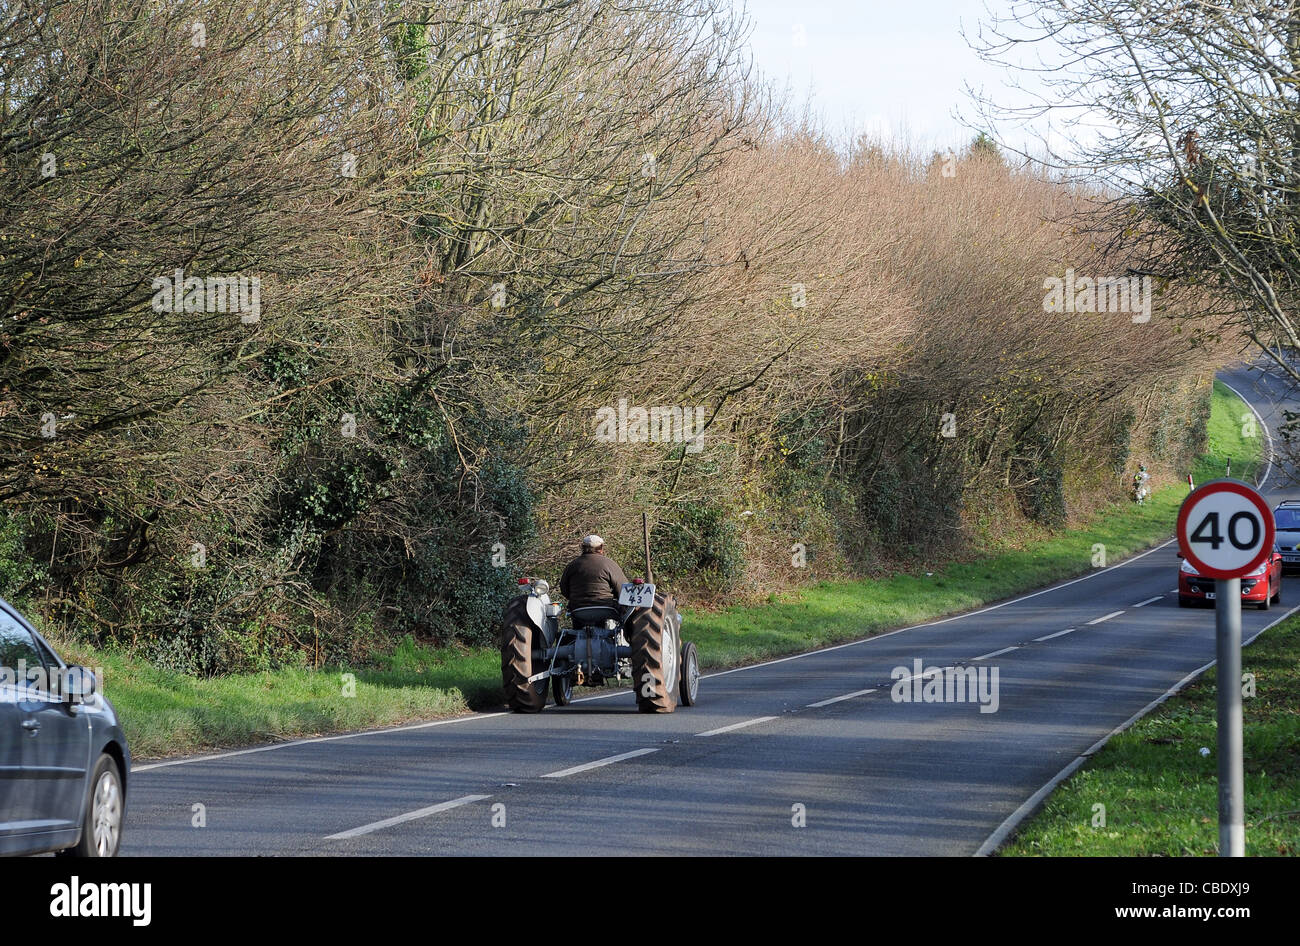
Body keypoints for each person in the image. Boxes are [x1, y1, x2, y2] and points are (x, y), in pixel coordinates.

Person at [559, 534, 629, 610]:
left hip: (578, 609)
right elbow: (623, 589)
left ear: (582, 547)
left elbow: (564, 589)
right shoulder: (609, 564)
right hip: (605, 608)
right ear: (601, 547)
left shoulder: (572, 565)